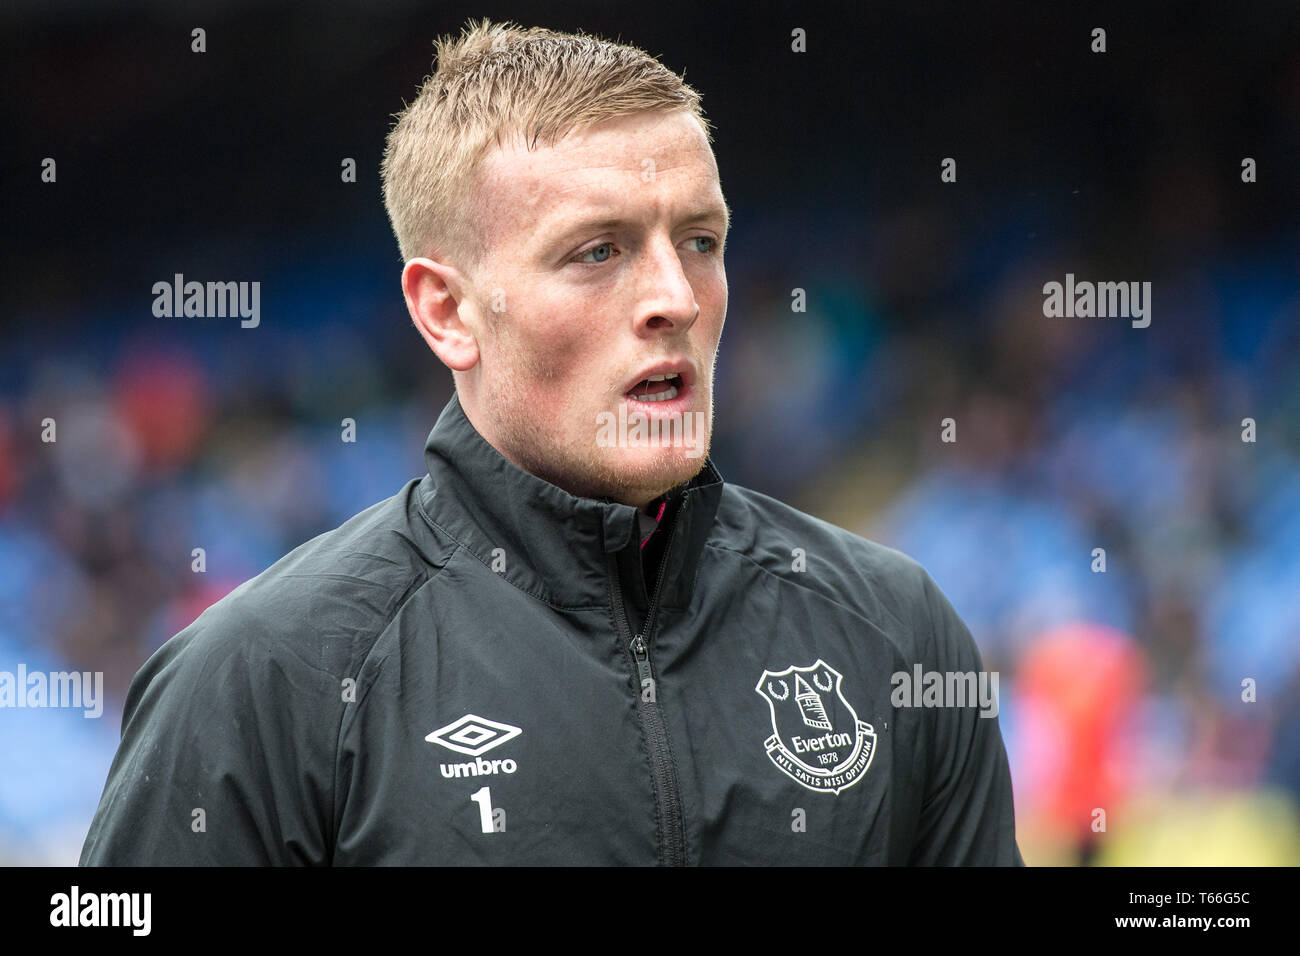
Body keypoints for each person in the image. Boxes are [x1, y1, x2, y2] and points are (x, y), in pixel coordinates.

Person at [80, 18, 1023, 866]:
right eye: (598, 251)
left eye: (700, 240)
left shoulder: (894, 633)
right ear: (447, 312)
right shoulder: (265, 677)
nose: (677, 298)